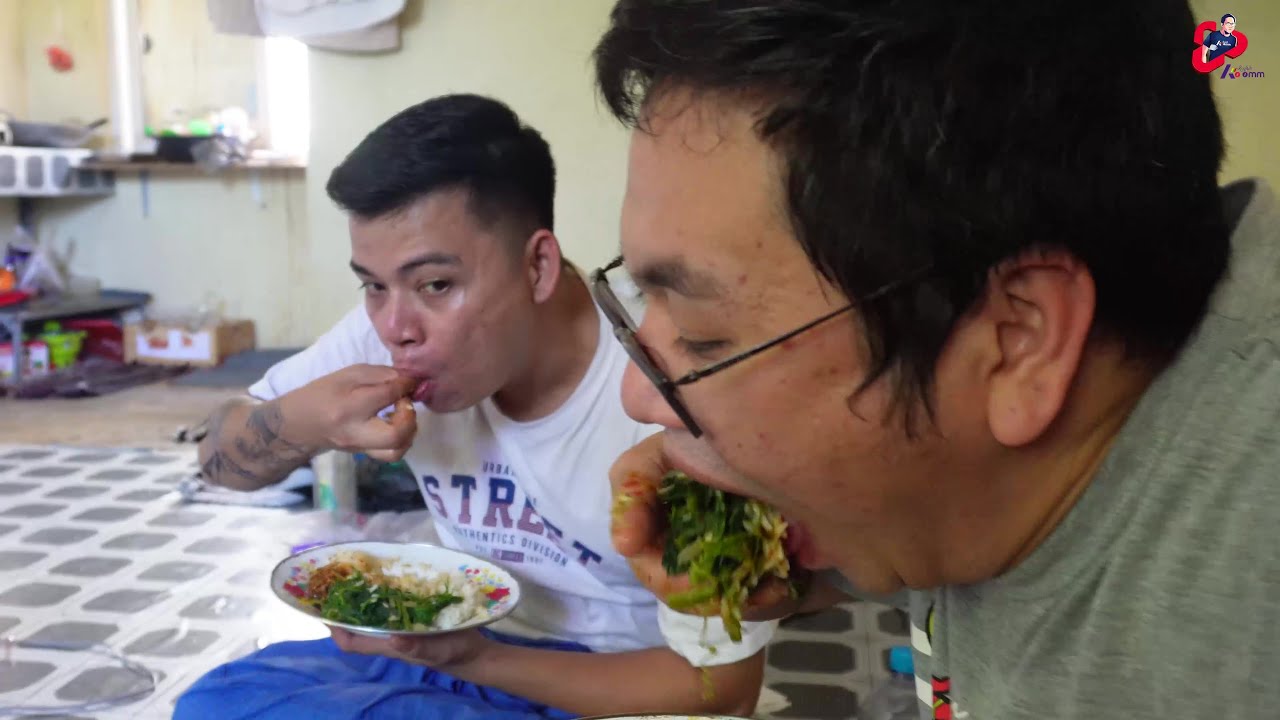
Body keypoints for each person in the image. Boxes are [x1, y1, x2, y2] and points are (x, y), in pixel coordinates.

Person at [590, 1, 1280, 718]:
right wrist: (756, 541)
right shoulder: (1025, 434)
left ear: (1019, 339)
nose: (639, 397)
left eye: (703, 333)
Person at [174, 93, 773, 720]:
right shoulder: (391, 326)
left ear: (537, 266)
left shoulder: (664, 374)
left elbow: (724, 691)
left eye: (436, 284)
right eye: (373, 285)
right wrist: (301, 422)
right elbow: (216, 460)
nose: (396, 327)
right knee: (217, 702)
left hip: (612, 680)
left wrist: (470, 660)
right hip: (457, 646)